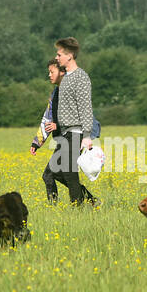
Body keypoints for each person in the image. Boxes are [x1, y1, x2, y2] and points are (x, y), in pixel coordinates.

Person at [33, 58, 96, 205]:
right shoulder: (55, 94)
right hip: (64, 138)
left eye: (52, 71)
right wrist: (37, 142)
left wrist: (59, 125)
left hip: (75, 136)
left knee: (65, 173)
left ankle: (77, 206)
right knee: (51, 174)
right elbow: (47, 117)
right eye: (48, 72)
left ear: (62, 72)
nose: (49, 75)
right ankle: (82, 201)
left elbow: (82, 113)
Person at [48, 37, 98, 207]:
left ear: (69, 55)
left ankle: (78, 207)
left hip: (76, 132)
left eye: (59, 54)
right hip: (65, 133)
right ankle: (90, 201)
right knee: (54, 171)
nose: (57, 58)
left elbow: (85, 107)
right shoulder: (67, 78)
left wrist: (86, 135)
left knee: (69, 172)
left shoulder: (81, 77)